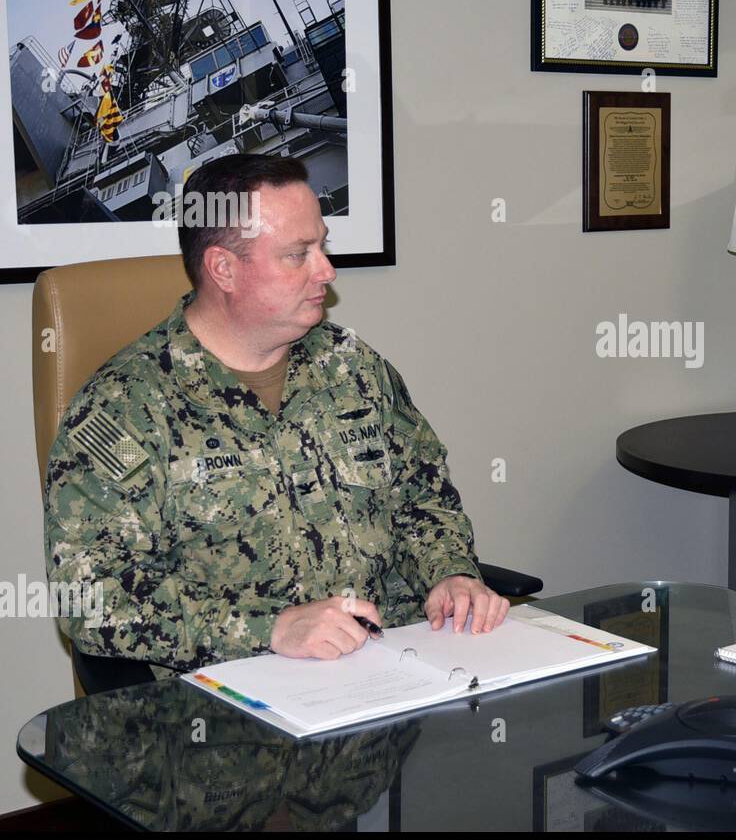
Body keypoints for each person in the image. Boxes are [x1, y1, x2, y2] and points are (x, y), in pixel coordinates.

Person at [44, 154, 508, 678]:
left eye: (322, 245)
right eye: (297, 255)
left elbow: (423, 499)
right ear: (223, 268)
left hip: (392, 680)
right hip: (226, 714)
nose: (326, 271)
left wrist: (449, 575)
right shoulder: (125, 408)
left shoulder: (353, 367)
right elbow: (93, 595)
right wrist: (270, 627)